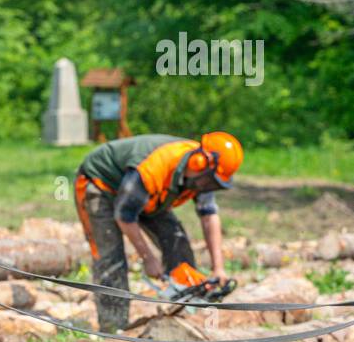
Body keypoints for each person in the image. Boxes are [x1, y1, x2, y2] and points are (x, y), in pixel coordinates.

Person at [73, 132, 243, 330]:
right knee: (111, 256)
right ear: (198, 163)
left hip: (147, 195)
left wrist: (218, 267)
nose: (210, 187)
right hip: (101, 184)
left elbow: (209, 216)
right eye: (211, 181)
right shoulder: (153, 167)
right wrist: (148, 258)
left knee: (176, 241)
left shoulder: (203, 176)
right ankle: (113, 328)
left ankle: (186, 315)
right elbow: (124, 215)